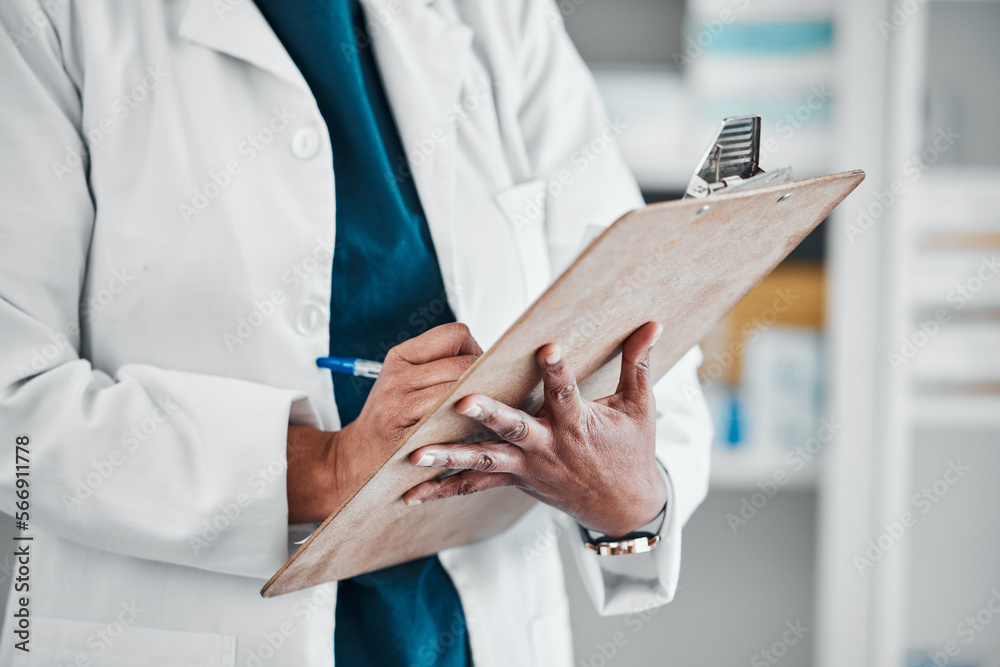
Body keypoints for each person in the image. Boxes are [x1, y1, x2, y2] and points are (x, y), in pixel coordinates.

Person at [0, 0, 712, 664]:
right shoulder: (53, 18)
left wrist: (630, 498)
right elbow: (15, 406)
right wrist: (326, 465)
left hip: (470, 628)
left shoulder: (499, 13)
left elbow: (637, 308)